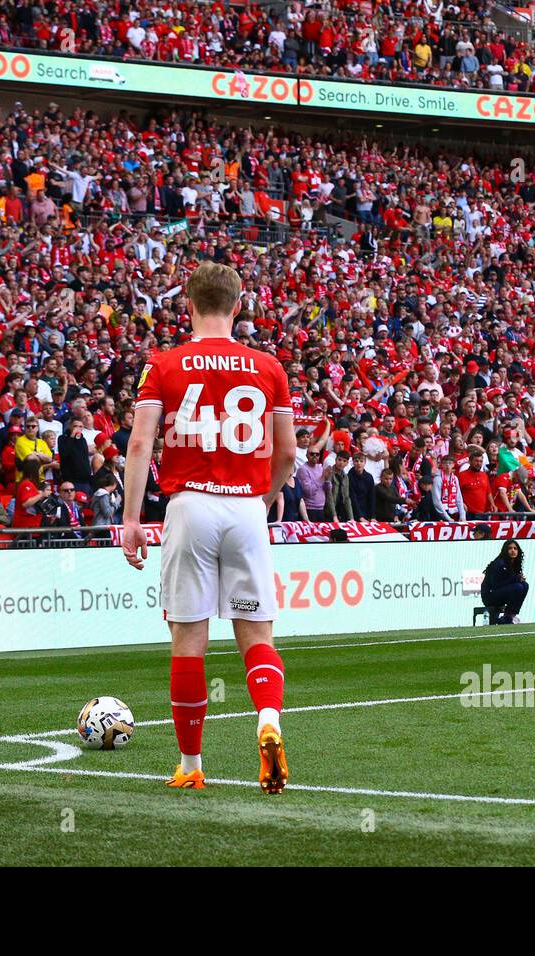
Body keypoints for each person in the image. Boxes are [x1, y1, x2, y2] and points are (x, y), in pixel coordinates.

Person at [119, 261, 297, 794]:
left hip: (190, 504)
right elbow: (287, 453)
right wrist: (260, 500)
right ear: (238, 307)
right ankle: (268, 718)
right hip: (245, 505)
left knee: (189, 639)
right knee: (257, 635)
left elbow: (139, 444)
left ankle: (192, 763)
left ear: (188, 306)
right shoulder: (269, 367)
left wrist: (131, 519)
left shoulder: (165, 366)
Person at [482, 539, 528, 625]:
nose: (513, 551)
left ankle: (510, 615)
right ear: (505, 551)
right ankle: (507, 617)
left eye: (515, 548)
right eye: (510, 548)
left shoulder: (514, 564)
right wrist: (516, 578)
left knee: (525, 585)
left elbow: (510, 582)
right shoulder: (498, 564)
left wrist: (517, 578)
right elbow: (494, 585)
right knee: (518, 587)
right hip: (490, 595)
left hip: (501, 593)